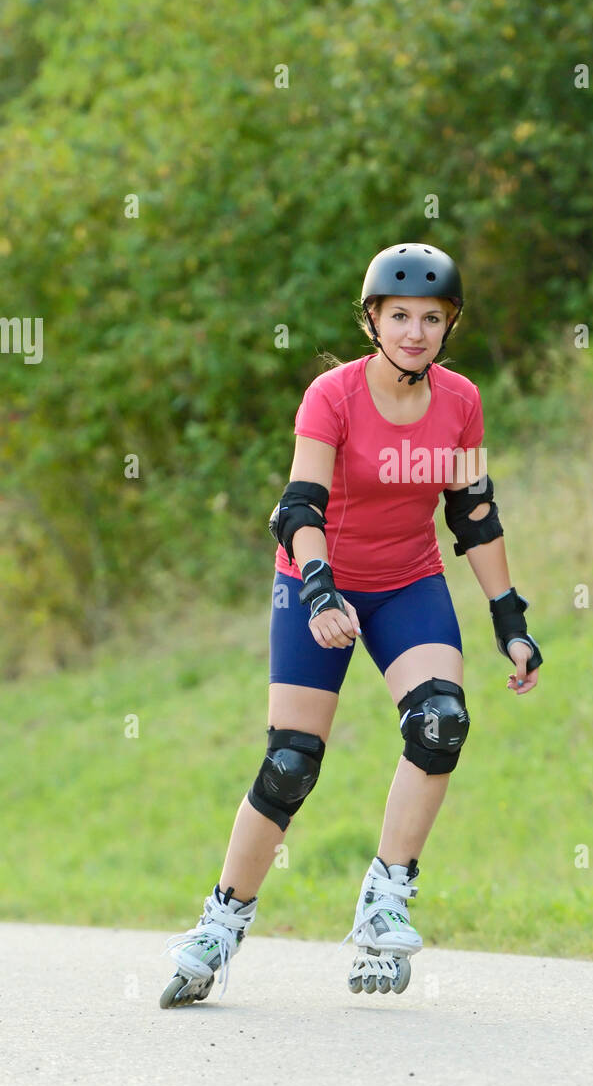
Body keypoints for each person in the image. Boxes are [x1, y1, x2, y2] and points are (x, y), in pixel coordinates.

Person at [160, 242, 542, 1006]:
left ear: (449, 326)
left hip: (408, 583)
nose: (415, 331)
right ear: (372, 319)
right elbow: (300, 504)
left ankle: (386, 896)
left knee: (440, 722)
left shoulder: (461, 402)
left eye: (432, 318)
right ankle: (223, 919)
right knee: (293, 761)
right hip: (315, 581)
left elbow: (471, 512)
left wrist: (509, 617)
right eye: (399, 315)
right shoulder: (331, 396)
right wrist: (320, 589)